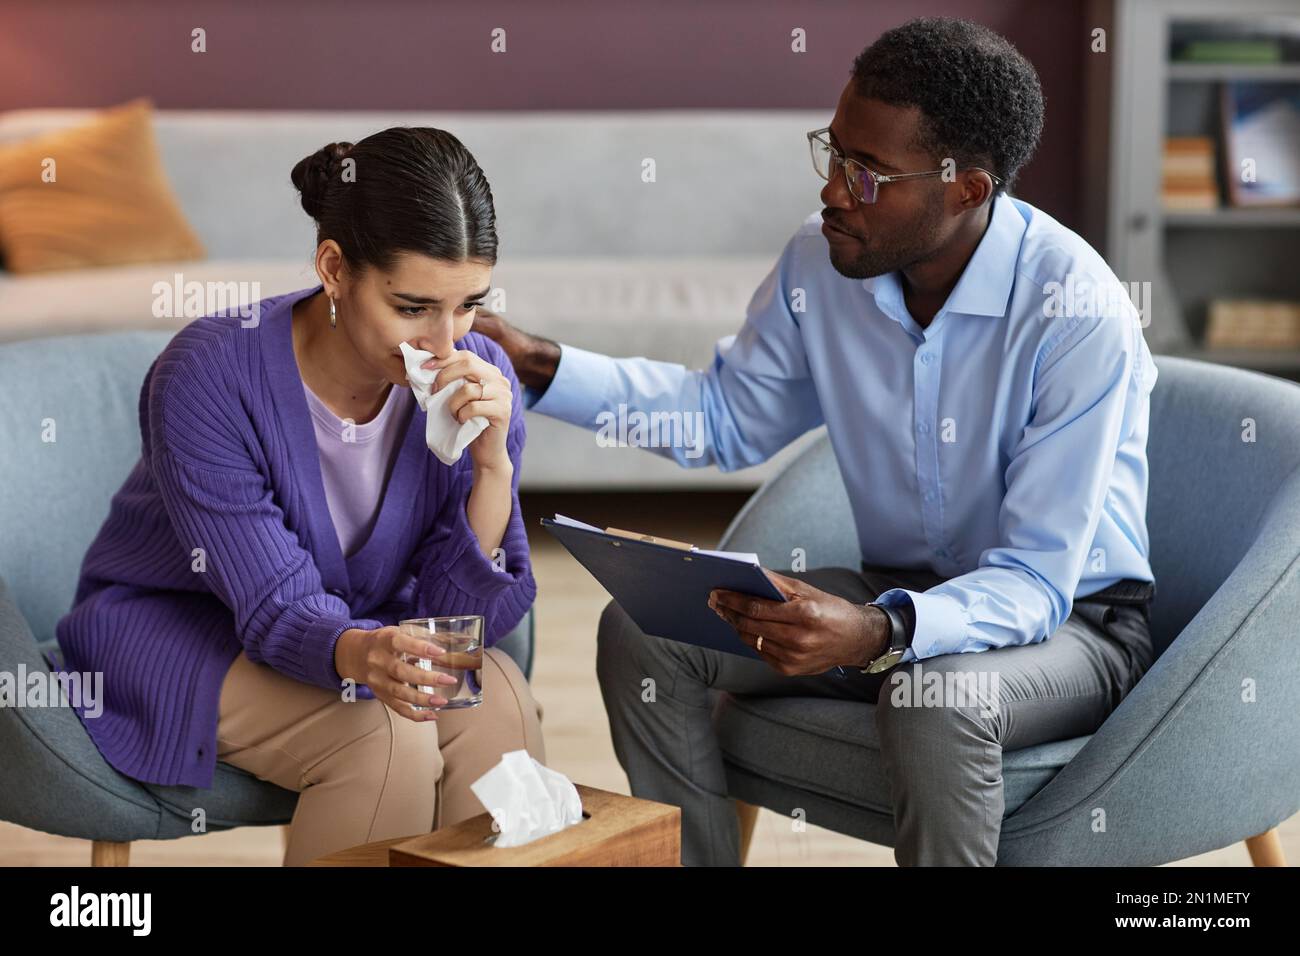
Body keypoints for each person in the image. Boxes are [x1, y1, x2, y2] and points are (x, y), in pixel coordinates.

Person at [474, 17, 1159, 866]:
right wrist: (539, 364)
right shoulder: (822, 261)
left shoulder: (1075, 311)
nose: (836, 190)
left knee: (929, 700)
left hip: (1069, 624)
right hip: (897, 586)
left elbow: (1033, 582)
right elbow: (725, 419)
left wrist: (877, 631)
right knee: (643, 633)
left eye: (868, 173)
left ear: (967, 190)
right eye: (834, 153)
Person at [54, 127, 544, 866]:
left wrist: (492, 472)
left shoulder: (478, 374)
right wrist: (360, 650)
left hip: (365, 625)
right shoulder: (210, 375)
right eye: (412, 307)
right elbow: (272, 604)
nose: (446, 343)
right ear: (334, 266)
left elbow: (462, 616)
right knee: (382, 735)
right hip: (182, 628)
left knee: (496, 698)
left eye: (469, 305)